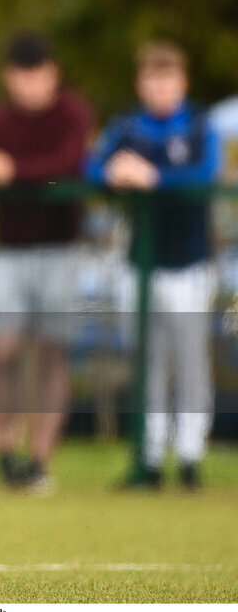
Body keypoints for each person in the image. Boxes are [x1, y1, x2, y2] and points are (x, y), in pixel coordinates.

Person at [0, 33, 94, 492]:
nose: (30, 83)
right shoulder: (0, 120)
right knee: (2, 350)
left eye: (37, 73)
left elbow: (70, 161)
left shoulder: (72, 113)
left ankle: (40, 460)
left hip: (61, 251)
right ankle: (5, 452)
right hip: (8, 252)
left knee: (51, 354)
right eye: (21, 74)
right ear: (9, 76)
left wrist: (11, 170)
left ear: (52, 73)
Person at [86, 40, 219, 490]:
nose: (160, 88)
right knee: (147, 364)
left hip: (189, 264)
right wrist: (112, 173)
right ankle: (149, 457)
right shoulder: (127, 126)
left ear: (182, 82)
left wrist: (154, 177)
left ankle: (190, 458)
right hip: (138, 265)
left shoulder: (200, 125)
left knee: (190, 363)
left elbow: (205, 173)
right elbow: (92, 167)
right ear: (142, 83)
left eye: (168, 79)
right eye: (152, 79)